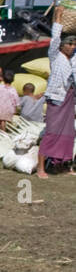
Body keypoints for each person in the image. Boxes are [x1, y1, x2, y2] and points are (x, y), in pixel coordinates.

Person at [37, 22, 76, 177]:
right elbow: (54, 39)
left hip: (69, 98)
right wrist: (59, 19)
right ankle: (41, 168)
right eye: (70, 44)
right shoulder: (55, 56)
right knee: (52, 132)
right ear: (62, 46)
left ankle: (61, 165)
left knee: (68, 133)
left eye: (74, 44)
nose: (72, 47)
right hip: (56, 98)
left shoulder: (73, 60)